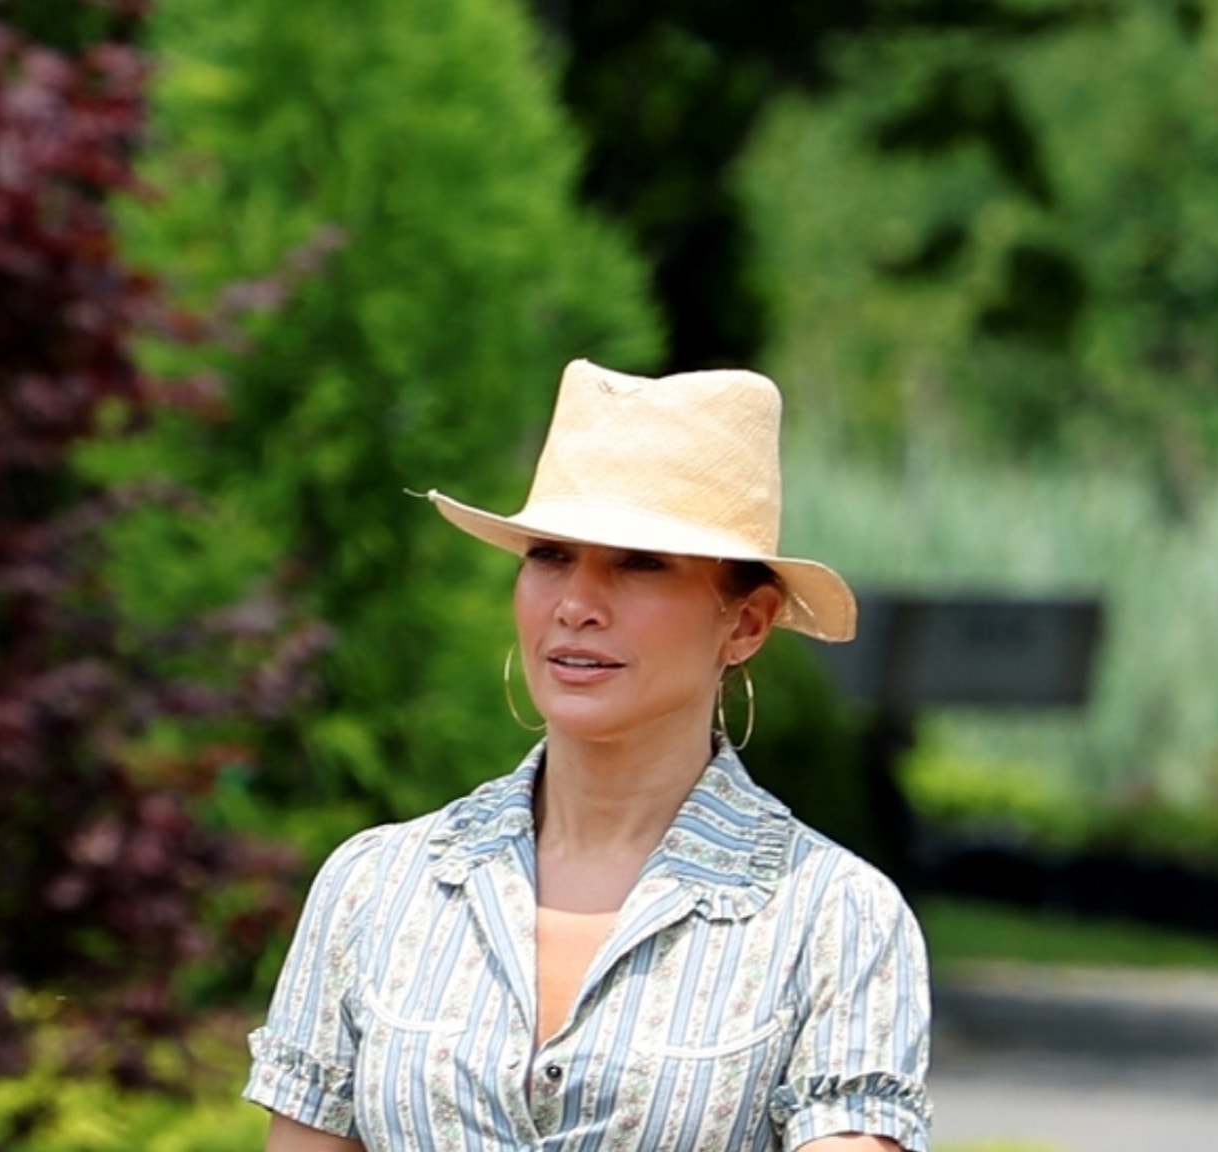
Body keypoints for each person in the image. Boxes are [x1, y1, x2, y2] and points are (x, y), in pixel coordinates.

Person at [244, 360, 932, 1151]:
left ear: (746, 624)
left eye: (641, 562)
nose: (576, 605)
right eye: (550, 556)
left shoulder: (833, 918)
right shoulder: (375, 887)